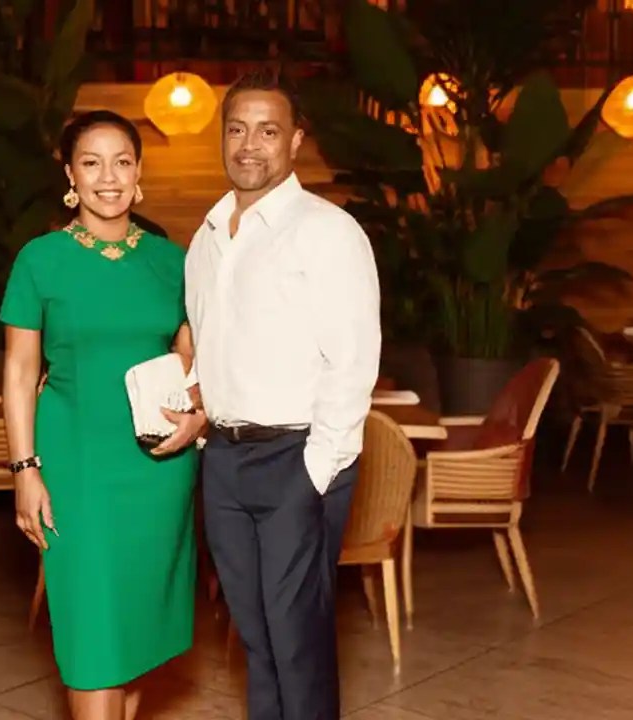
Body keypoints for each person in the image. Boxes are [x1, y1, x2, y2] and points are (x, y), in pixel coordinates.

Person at [184, 68, 382, 719]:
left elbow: (353, 364)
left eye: (268, 131)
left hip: (296, 459)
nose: (249, 145)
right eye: (237, 129)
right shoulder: (207, 239)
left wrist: (314, 472)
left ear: (296, 141)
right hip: (225, 462)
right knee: (257, 641)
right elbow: (213, 347)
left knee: (299, 646)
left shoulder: (327, 232)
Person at [0, 110, 208, 720]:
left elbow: (193, 358)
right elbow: (17, 372)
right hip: (75, 467)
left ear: (139, 172)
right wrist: (24, 468)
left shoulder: (174, 262)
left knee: (139, 631)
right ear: (70, 174)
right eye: (92, 163)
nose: (108, 177)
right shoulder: (40, 260)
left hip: (157, 469)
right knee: (93, 634)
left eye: (122, 162)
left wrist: (196, 414)